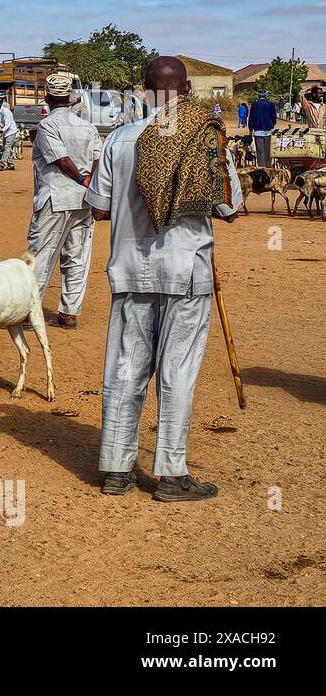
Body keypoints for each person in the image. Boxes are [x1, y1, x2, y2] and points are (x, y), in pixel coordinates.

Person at [85, 56, 241, 502]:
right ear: (188, 90)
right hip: (188, 271)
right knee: (177, 373)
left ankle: (117, 469)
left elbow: (98, 208)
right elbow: (229, 208)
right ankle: (171, 476)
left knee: (125, 369)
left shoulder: (118, 139)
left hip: (131, 271)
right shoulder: (206, 138)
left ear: (142, 88)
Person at [27, 73, 101, 330]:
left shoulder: (47, 126)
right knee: (77, 255)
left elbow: (60, 159)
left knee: (40, 255)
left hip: (55, 198)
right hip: (83, 201)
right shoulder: (87, 127)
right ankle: (69, 312)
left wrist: (81, 178)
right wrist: (89, 180)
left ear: (47, 98)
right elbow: (96, 157)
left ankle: (29, 310)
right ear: (70, 99)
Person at [249, 90, 277, 167]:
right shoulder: (271, 105)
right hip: (268, 131)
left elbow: (251, 118)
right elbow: (274, 117)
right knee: (267, 150)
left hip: (258, 131)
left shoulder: (254, 105)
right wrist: (271, 125)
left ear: (258, 96)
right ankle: (268, 166)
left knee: (260, 151)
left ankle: (262, 167)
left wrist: (250, 129)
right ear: (266, 96)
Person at [0, 97, 19, 170]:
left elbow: (8, 124)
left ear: (0, 104)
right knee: (5, 147)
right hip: (5, 132)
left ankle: (2, 163)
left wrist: (1, 130)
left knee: (7, 147)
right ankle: (10, 164)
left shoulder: (6, 112)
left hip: (11, 131)